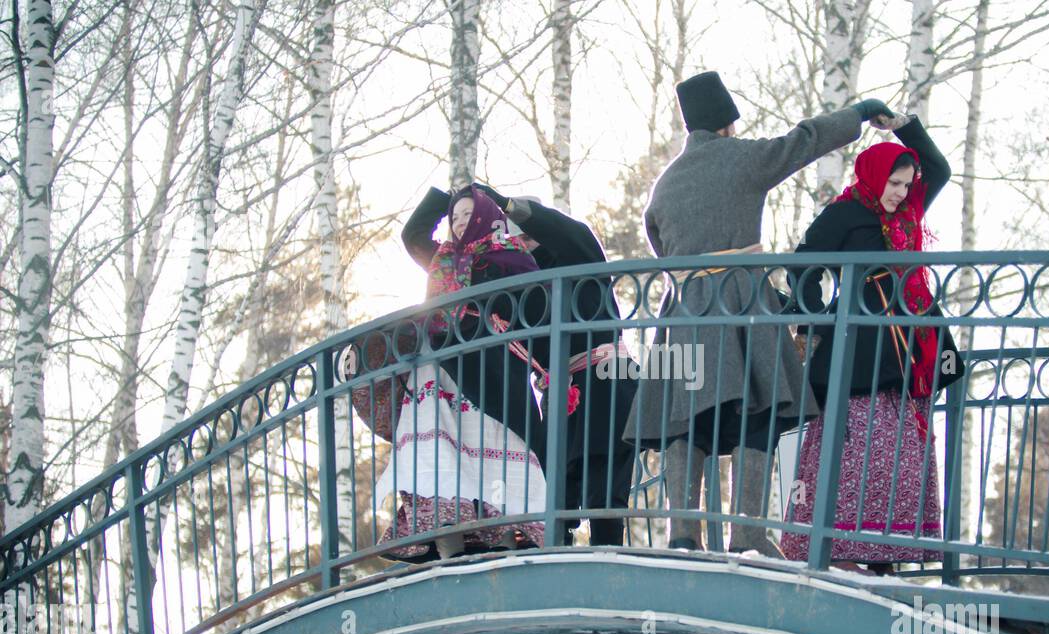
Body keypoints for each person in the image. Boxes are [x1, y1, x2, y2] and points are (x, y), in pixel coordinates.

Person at [623, 69, 893, 556]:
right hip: (743, 303)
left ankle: (683, 534)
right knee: (759, 412)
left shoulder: (663, 186)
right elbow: (805, 140)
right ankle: (747, 535)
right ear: (727, 124)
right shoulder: (741, 159)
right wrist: (859, 111)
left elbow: (660, 247)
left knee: (684, 421)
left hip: (681, 310)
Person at [404, 181, 639, 547]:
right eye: (513, 228)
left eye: (527, 227)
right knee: (553, 486)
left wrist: (509, 204)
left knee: (604, 484)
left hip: (606, 378)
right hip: (560, 393)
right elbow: (436, 257)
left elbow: (564, 231)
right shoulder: (505, 269)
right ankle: (556, 557)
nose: (522, 235)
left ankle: (608, 560)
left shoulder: (577, 253)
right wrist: (447, 200)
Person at [780, 111, 965, 574]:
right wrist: (818, 320)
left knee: (906, 451)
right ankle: (840, 550)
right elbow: (804, 264)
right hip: (863, 345)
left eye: (906, 185)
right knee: (856, 443)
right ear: (874, 175)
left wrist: (905, 124)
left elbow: (938, 169)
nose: (900, 193)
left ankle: (888, 556)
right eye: (895, 183)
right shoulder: (846, 212)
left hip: (914, 342)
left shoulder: (908, 214)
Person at [375, 186, 548, 561]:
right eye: (454, 218)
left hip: (492, 376)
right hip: (441, 373)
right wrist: (446, 197)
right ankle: (448, 549)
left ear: (488, 217)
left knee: (496, 457)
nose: (459, 223)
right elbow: (412, 235)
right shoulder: (443, 260)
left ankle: (506, 548)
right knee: (439, 456)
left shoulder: (508, 260)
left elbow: (531, 307)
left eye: (468, 214)